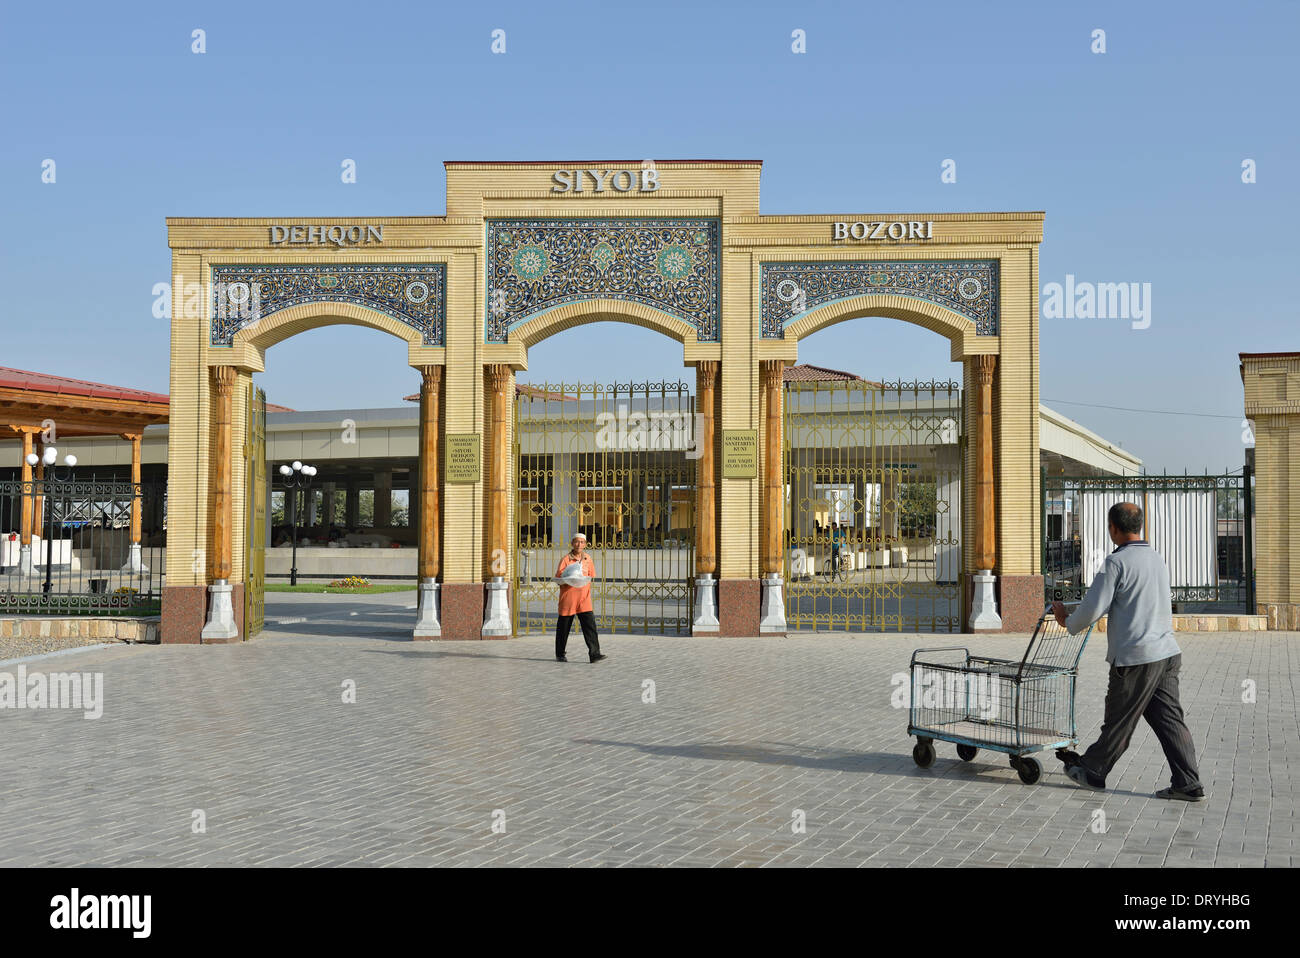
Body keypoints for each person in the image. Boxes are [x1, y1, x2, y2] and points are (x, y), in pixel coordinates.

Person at [1052, 501, 1205, 801]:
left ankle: (1093, 770)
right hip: (1167, 654)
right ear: (1139, 525)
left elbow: (1093, 608)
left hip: (1137, 658)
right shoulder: (1155, 558)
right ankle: (1188, 782)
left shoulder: (1116, 563)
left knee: (1119, 718)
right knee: (1169, 720)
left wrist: (1066, 621)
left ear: (1113, 528)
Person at [555, 533, 606, 664]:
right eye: (577, 542)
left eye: (582, 542)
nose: (579, 545)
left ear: (585, 544)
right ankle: (560, 654)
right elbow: (558, 579)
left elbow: (591, 576)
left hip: (584, 599)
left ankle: (594, 653)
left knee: (590, 627)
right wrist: (570, 579)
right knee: (563, 628)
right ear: (572, 543)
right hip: (568, 598)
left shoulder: (588, 559)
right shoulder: (566, 560)